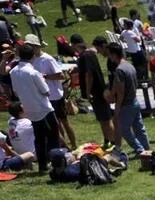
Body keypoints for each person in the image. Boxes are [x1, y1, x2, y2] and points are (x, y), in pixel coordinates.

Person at [9, 44, 58, 173]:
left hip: (29, 108)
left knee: (39, 138)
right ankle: (57, 163)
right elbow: (46, 91)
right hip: (43, 108)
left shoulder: (13, 72)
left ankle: (42, 165)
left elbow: (15, 91)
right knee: (53, 136)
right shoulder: (33, 72)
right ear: (32, 56)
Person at [25, 35, 76, 149]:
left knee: (64, 123)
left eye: (31, 46)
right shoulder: (31, 60)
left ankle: (73, 145)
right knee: (55, 125)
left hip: (55, 96)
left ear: (36, 46)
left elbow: (61, 75)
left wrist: (45, 77)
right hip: (44, 98)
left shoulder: (47, 59)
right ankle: (63, 147)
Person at [70, 35, 115, 149]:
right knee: (101, 119)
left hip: (96, 91)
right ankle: (107, 140)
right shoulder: (89, 54)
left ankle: (115, 143)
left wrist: (88, 91)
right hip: (97, 91)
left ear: (75, 45)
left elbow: (88, 74)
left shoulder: (85, 56)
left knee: (106, 119)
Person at [107, 43, 150, 157]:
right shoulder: (130, 66)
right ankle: (146, 148)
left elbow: (121, 92)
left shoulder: (120, 70)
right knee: (139, 128)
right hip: (134, 101)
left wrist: (117, 108)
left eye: (110, 55)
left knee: (123, 130)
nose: (109, 57)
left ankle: (140, 149)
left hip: (126, 104)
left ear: (114, 54)